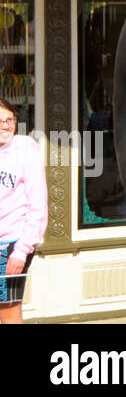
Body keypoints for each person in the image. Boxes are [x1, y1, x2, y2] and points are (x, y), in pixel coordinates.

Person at [0, 97, 46, 323]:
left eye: (10, 119)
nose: (5, 125)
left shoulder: (25, 151)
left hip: (10, 244)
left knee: (8, 315)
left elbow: (38, 206)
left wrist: (21, 250)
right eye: (0, 120)